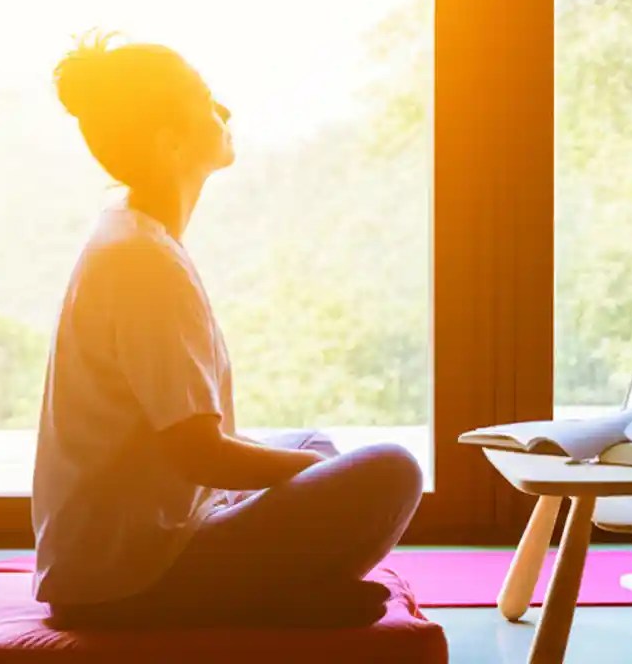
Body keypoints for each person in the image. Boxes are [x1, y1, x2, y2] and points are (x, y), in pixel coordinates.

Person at [30, 31, 422, 627]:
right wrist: (317, 481)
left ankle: (289, 590)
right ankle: (272, 601)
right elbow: (199, 455)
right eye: (209, 102)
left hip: (120, 550)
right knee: (392, 469)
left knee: (312, 442)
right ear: (170, 143)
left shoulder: (133, 232)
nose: (226, 112)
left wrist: (306, 473)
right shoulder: (143, 261)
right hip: (128, 581)